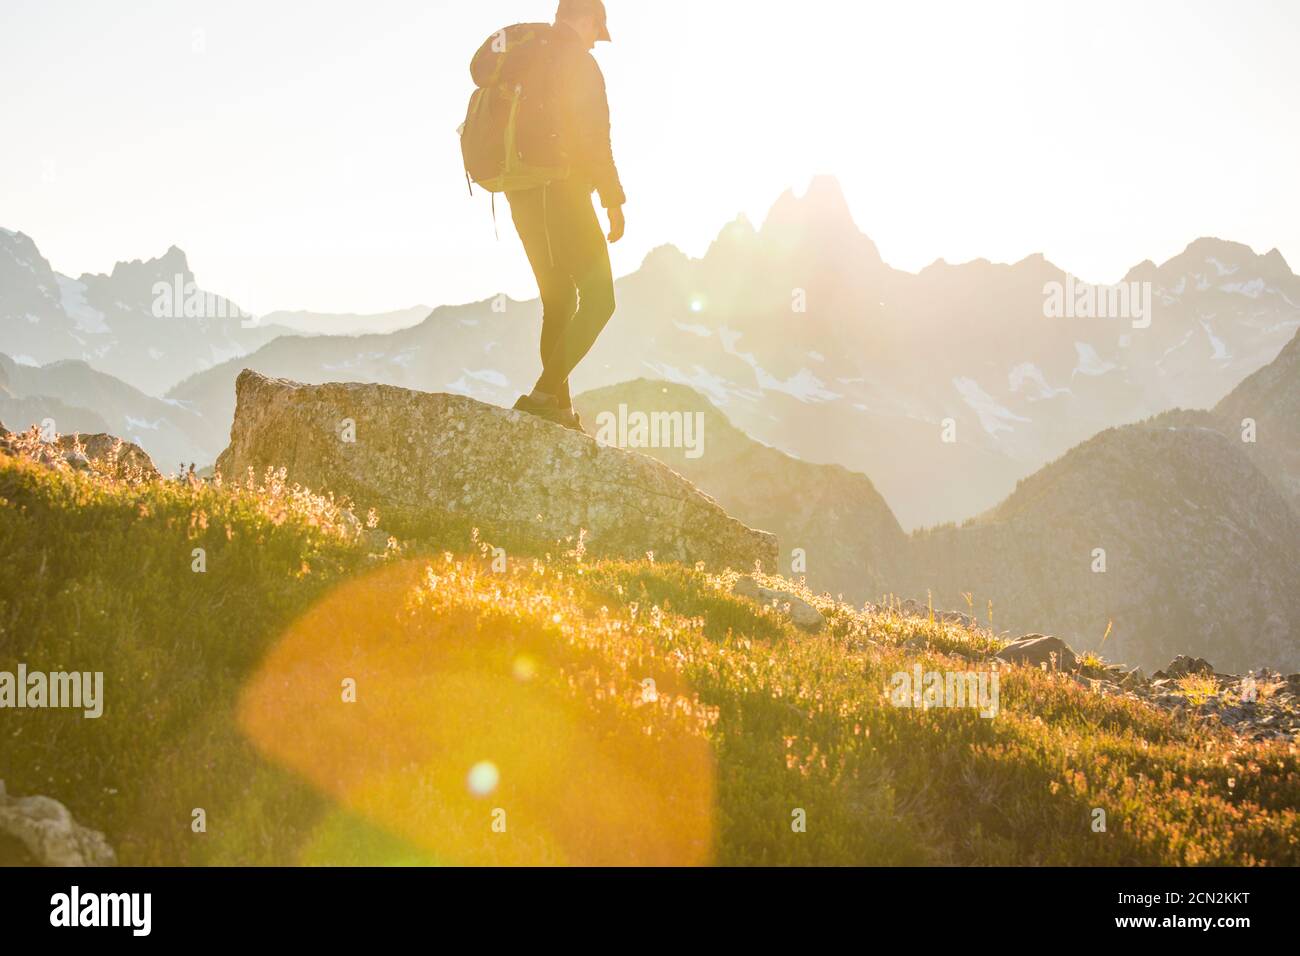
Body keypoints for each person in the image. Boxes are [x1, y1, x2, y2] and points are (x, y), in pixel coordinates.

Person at [500, 0, 625, 431]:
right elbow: (595, 139)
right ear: (587, 18)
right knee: (599, 300)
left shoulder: (525, 53)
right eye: (597, 29)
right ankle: (540, 397)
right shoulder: (578, 63)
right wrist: (613, 200)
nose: (596, 39)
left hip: (519, 193)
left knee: (558, 301)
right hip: (562, 193)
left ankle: (559, 410)